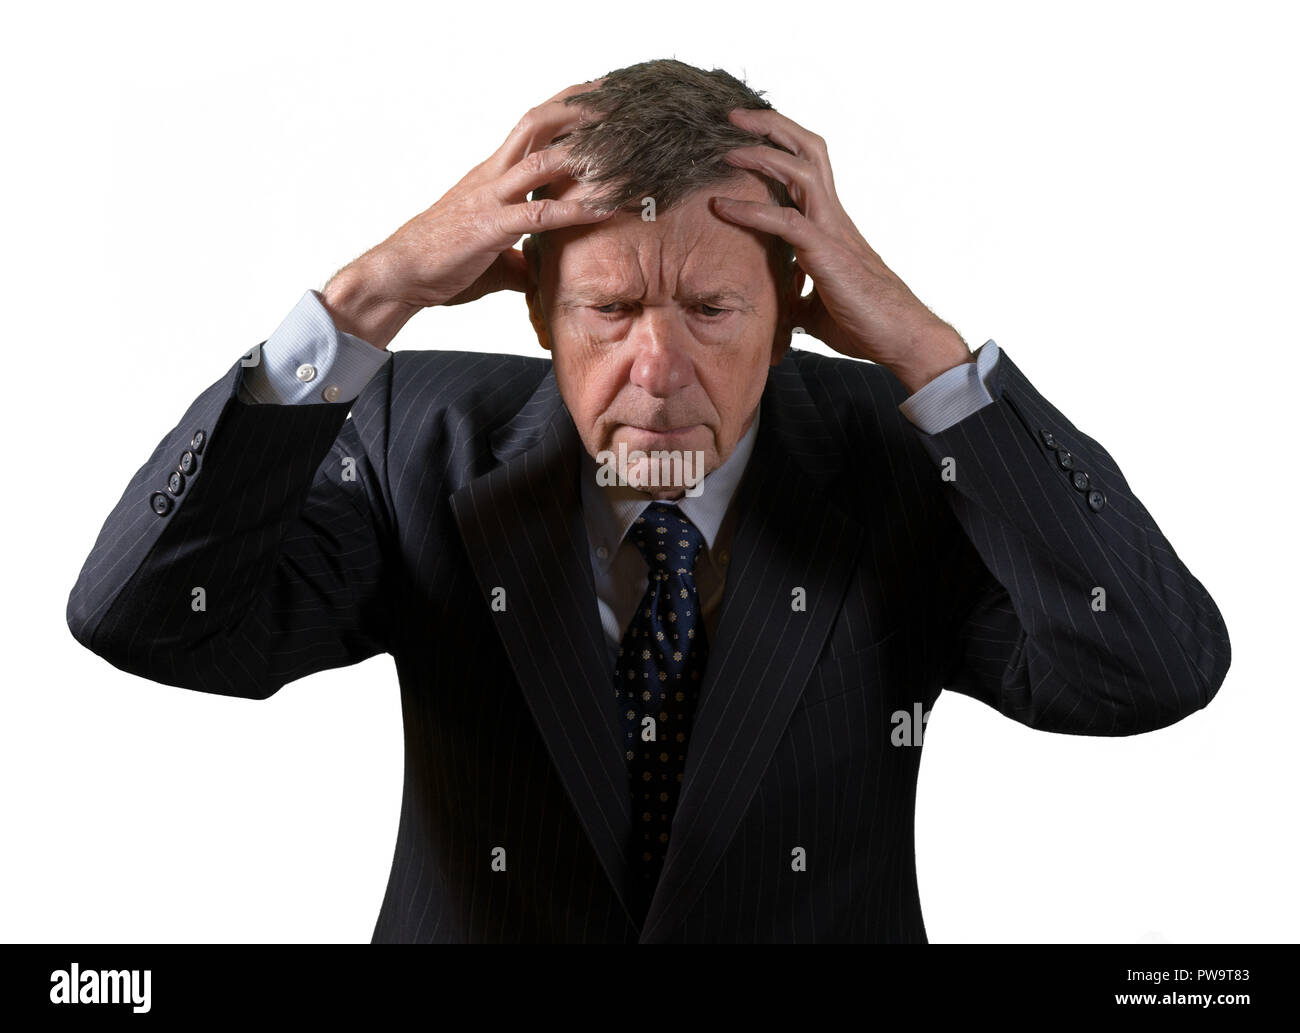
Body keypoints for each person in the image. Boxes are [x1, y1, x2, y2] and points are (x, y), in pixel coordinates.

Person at [66, 58, 1231, 943]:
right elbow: (149, 618)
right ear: (534, 313)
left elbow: (1147, 670)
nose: (658, 370)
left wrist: (932, 360)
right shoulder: (410, 432)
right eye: (609, 311)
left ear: (789, 315)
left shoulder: (898, 456)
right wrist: (365, 299)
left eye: (713, 313)